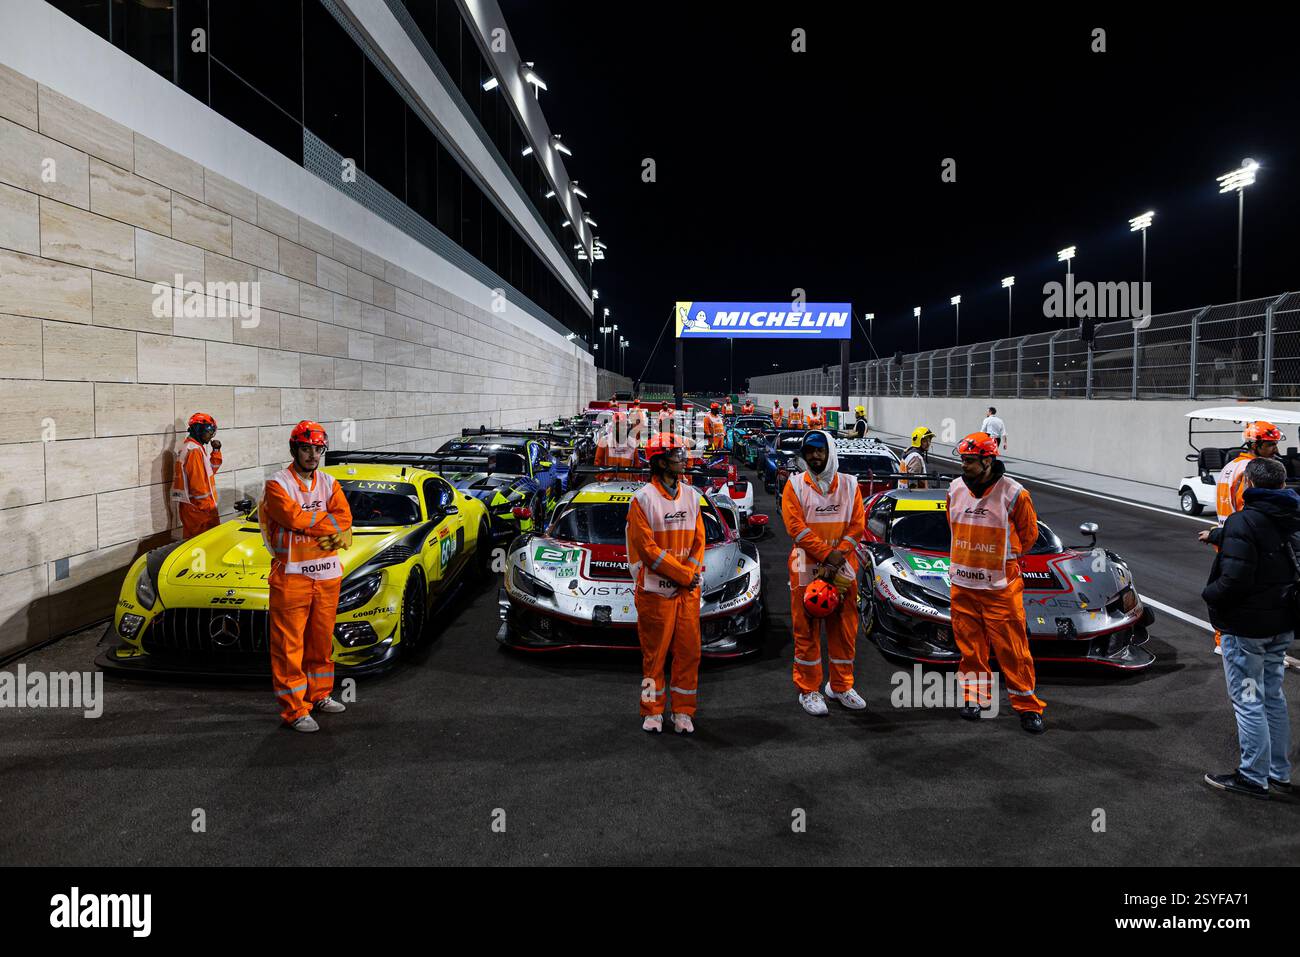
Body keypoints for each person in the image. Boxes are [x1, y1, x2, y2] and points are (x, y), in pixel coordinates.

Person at [1199, 456, 1297, 798]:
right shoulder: (1293, 517)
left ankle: (1253, 776)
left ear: (1249, 485)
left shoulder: (1244, 520)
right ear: (1283, 484)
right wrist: (1220, 533)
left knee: (1248, 698)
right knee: (1272, 696)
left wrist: (1209, 594)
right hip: (1283, 623)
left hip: (1248, 629)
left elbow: (1235, 579)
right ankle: (1278, 772)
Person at [948, 432, 1046, 733]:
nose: (964, 466)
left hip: (1000, 589)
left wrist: (1006, 559)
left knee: (1013, 650)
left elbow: (1029, 535)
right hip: (963, 585)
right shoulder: (954, 489)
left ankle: (1027, 706)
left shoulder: (1014, 493)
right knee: (971, 650)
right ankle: (974, 698)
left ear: (988, 460)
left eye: (970, 461)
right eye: (963, 460)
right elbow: (953, 528)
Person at [259, 421, 353, 733]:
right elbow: (289, 516)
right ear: (294, 449)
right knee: (288, 647)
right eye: (306, 448)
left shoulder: (329, 482)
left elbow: (345, 519)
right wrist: (325, 522)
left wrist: (307, 522)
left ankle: (320, 694)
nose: (312, 455)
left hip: (327, 576)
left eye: (318, 449)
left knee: (321, 642)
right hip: (292, 577)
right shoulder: (277, 484)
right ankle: (295, 710)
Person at [782, 430, 868, 715]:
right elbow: (796, 528)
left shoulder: (850, 484)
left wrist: (837, 555)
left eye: (819, 451)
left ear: (830, 451)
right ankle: (808, 690)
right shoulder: (794, 486)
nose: (814, 456)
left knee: (844, 630)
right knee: (805, 630)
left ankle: (841, 686)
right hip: (805, 568)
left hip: (842, 569)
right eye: (809, 452)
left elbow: (857, 526)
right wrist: (826, 554)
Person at [625, 432, 706, 734]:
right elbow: (647, 551)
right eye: (676, 455)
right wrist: (685, 575)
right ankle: (652, 710)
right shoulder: (642, 500)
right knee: (654, 657)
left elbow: (699, 541)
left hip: (687, 593)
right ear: (659, 462)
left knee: (689, 653)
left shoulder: (692, 495)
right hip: (655, 594)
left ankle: (683, 712)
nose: (683, 459)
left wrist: (691, 574)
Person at [172, 412, 224, 539]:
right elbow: (198, 486)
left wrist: (216, 452)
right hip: (200, 510)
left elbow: (208, 472)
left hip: (193, 508)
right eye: (209, 430)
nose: (211, 435)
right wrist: (209, 510)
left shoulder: (192, 447)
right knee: (205, 546)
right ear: (197, 429)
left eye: (213, 431)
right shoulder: (194, 450)